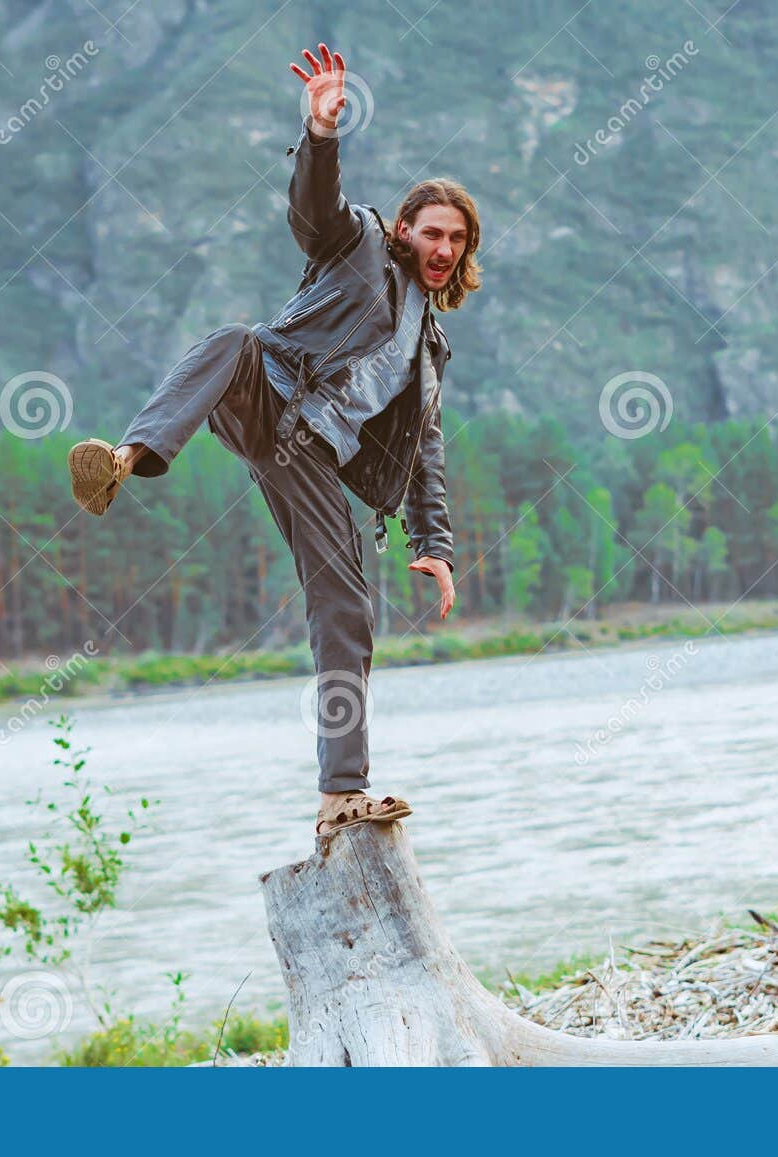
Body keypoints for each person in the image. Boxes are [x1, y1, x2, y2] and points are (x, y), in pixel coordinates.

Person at [65, 43, 481, 839]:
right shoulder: (357, 243)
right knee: (233, 337)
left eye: (457, 239)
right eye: (432, 232)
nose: (444, 248)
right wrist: (321, 134)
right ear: (403, 230)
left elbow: (425, 449)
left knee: (349, 608)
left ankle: (340, 797)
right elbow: (314, 211)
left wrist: (435, 541)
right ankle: (125, 460)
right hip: (268, 396)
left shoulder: (433, 348)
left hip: (315, 461)